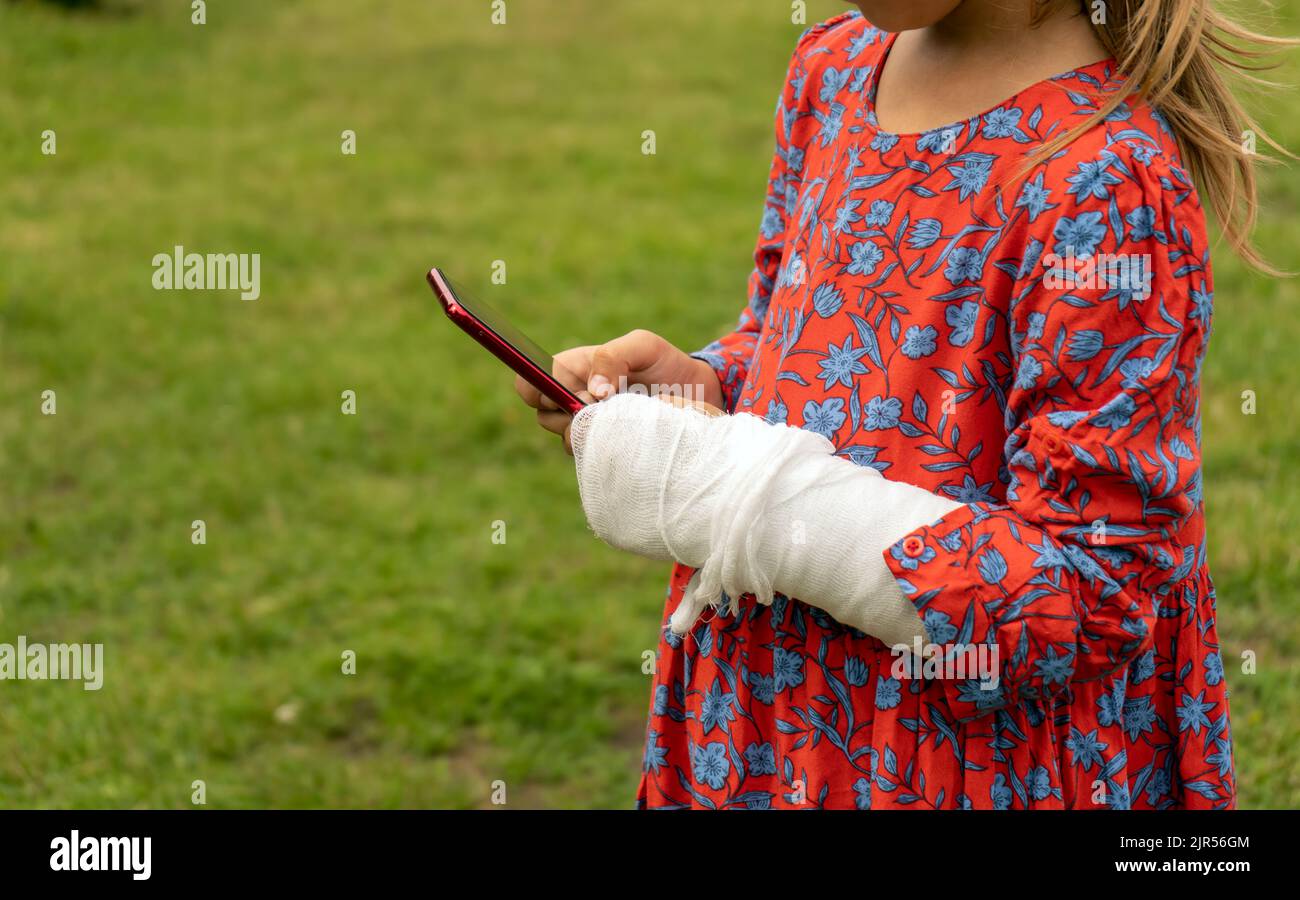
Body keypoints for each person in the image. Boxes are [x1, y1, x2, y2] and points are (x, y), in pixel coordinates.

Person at [515, 0, 1285, 809]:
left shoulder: (1104, 183)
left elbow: (1090, 589)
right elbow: (792, 339)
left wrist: (762, 500)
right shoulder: (836, 67)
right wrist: (701, 392)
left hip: (949, 753)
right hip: (762, 721)